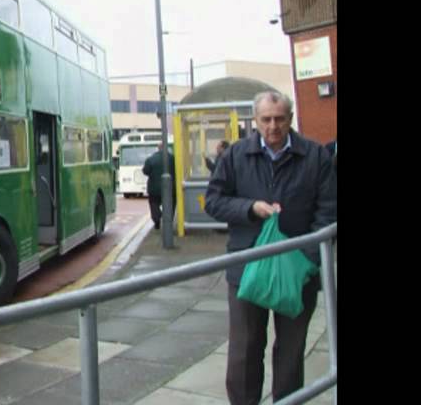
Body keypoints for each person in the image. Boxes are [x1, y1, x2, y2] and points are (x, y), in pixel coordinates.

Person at [204, 91, 336, 405]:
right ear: (256, 120)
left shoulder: (316, 157)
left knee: (291, 354)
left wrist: (307, 260)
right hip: (247, 269)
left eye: (279, 119)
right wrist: (250, 208)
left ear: (290, 118)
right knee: (245, 351)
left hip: (299, 271)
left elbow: (329, 212)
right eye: (266, 119)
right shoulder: (235, 156)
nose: (273, 126)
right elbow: (214, 201)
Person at [142, 144, 175, 230]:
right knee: (170, 203)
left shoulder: (151, 159)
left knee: (154, 204)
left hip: (154, 188)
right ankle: (168, 221)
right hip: (170, 188)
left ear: (158, 148)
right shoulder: (172, 158)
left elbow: (145, 171)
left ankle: (157, 219)